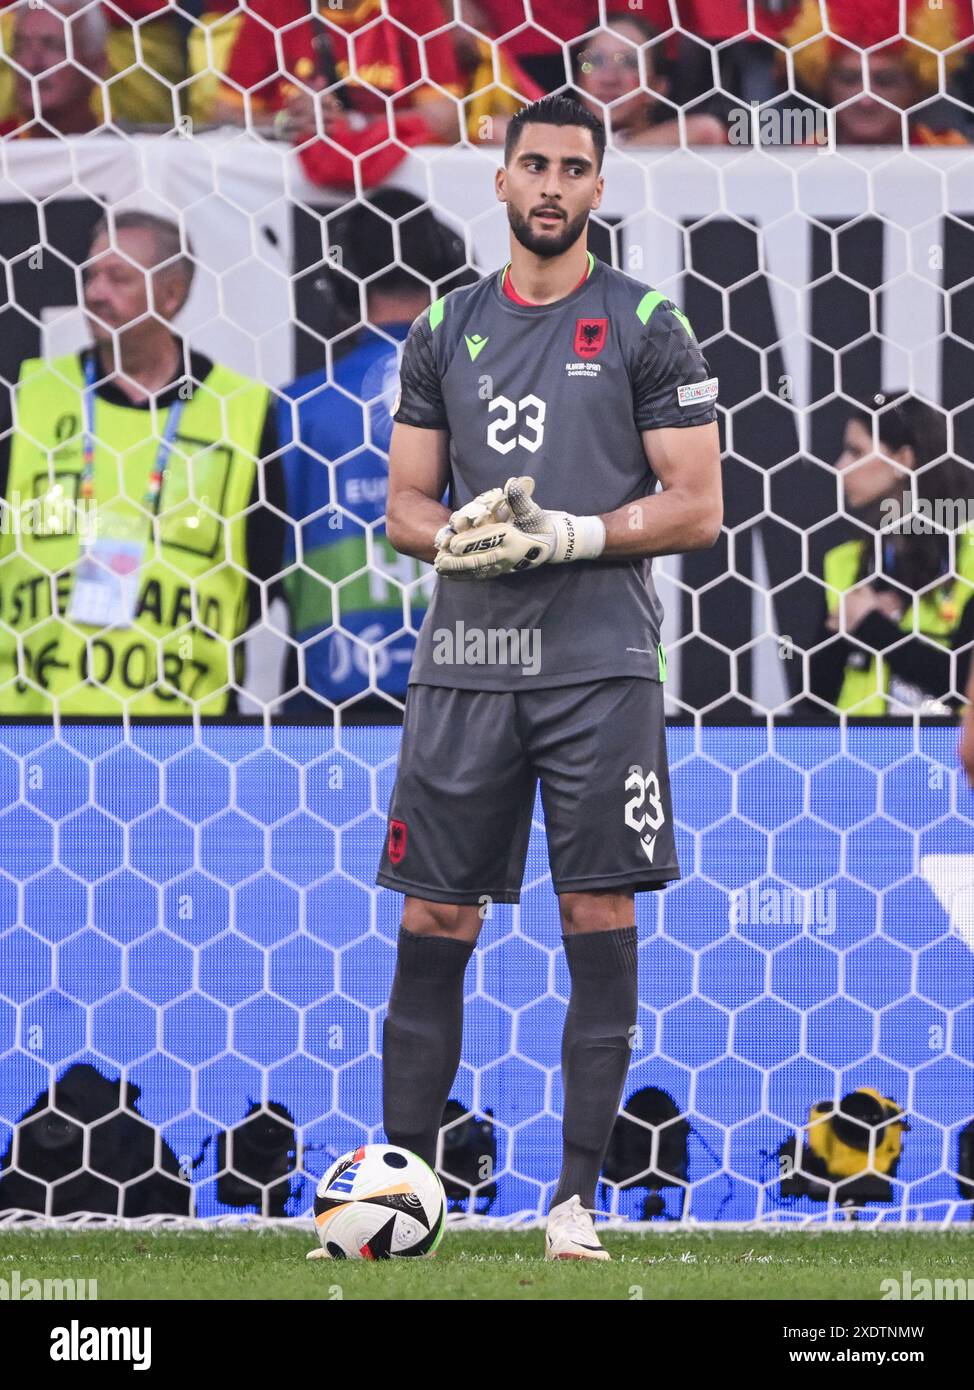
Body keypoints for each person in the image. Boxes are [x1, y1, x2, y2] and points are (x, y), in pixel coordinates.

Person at [372, 94, 722, 1259]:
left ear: (600, 187)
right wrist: (460, 532)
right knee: (434, 912)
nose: (553, 186)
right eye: (535, 164)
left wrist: (565, 536)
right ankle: (398, 1198)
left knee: (596, 906)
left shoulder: (647, 323)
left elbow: (697, 503)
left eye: (575, 167)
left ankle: (569, 1201)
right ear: (501, 177)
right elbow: (404, 503)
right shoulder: (443, 326)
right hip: (467, 664)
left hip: (596, 666)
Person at [0, 210, 286, 715]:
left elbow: (264, 564)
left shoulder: (241, 410)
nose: (95, 292)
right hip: (31, 724)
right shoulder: (30, 396)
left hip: (186, 726)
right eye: (91, 274)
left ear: (171, 295)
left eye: (118, 277)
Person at [277, 190, 474, 714]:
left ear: (343, 287)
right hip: (466, 686)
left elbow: (263, 560)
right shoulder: (483, 395)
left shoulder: (297, 408)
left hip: (332, 690)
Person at [809, 393, 974, 715]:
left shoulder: (970, 556)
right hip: (859, 754)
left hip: (947, 757)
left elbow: (963, 684)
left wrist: (871, 625)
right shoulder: (845, 562)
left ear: (903, 459)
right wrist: (839, 631)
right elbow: (814, 695)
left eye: (856, 451)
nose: (839, 466)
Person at [782, 0, 972, 147]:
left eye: (886, 81)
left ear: (918, 85)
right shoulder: (799, 159)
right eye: (848, 79)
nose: (866, 99)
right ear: (824, 81)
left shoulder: (953, 156)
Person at [573, 15, 726, 148]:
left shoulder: (677, 146)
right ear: (577, 79)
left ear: (658, 87)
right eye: (595, 60)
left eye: (630, 62)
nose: (609, 78)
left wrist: (613, 152)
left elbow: (708, 130)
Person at [0, 0, 107, 138]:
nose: (30, 63)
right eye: (21, 46)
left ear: (97, 65)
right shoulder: (5, 146)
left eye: (53, 46)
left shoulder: (130, 147)